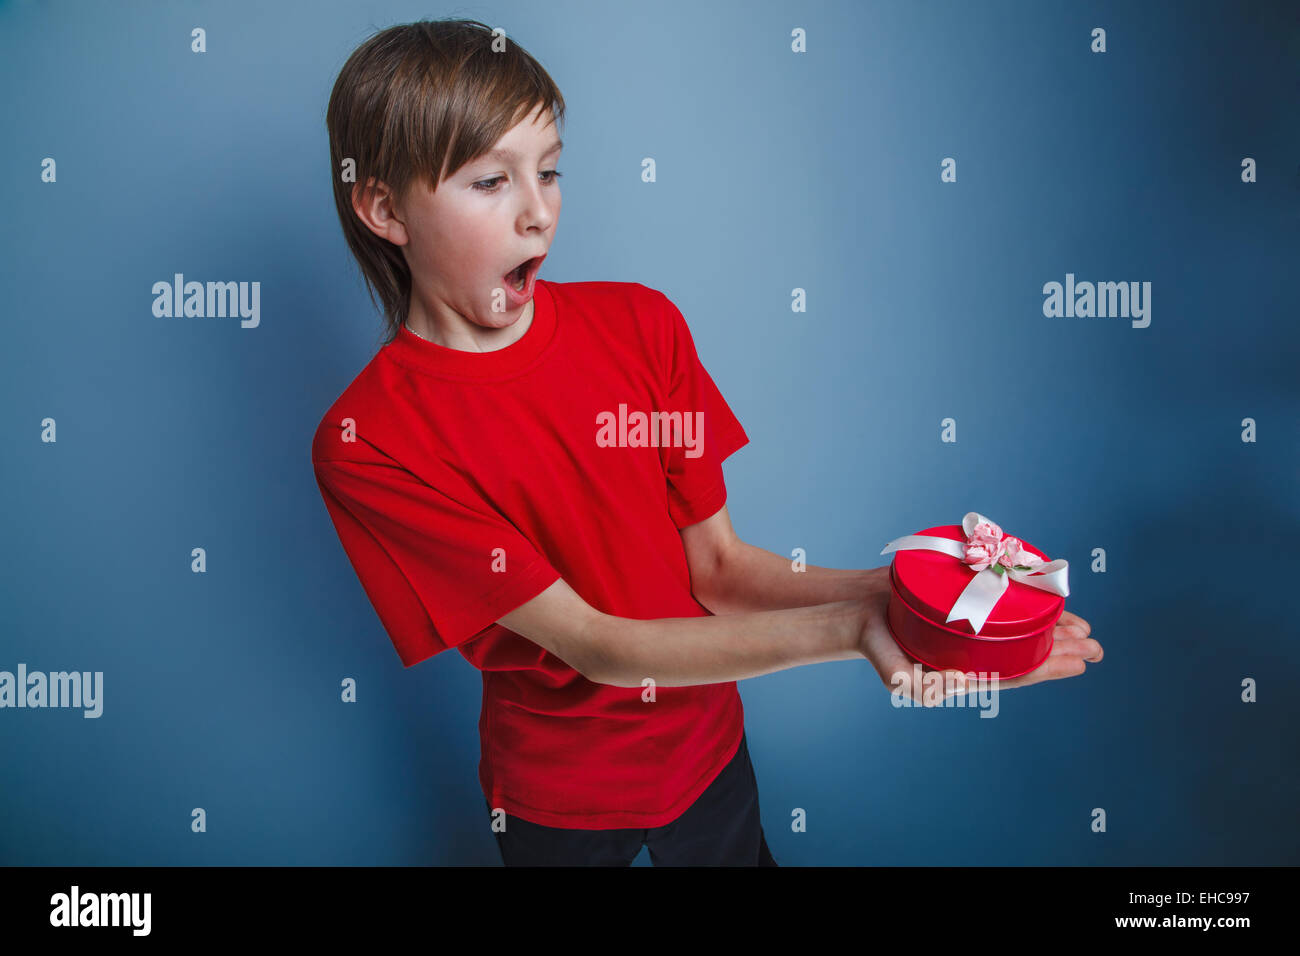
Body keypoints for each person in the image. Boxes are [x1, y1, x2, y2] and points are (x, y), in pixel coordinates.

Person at [311, 18, 1103, 867]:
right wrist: (854, 630)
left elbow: (718, 571)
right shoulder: (369, 441)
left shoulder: (642, 326)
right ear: (385, 207)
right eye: (489, 182)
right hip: (558, 798)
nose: (539, 213)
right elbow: (596, 644)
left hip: (709, 751)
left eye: (548, 170)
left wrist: (908, 599)